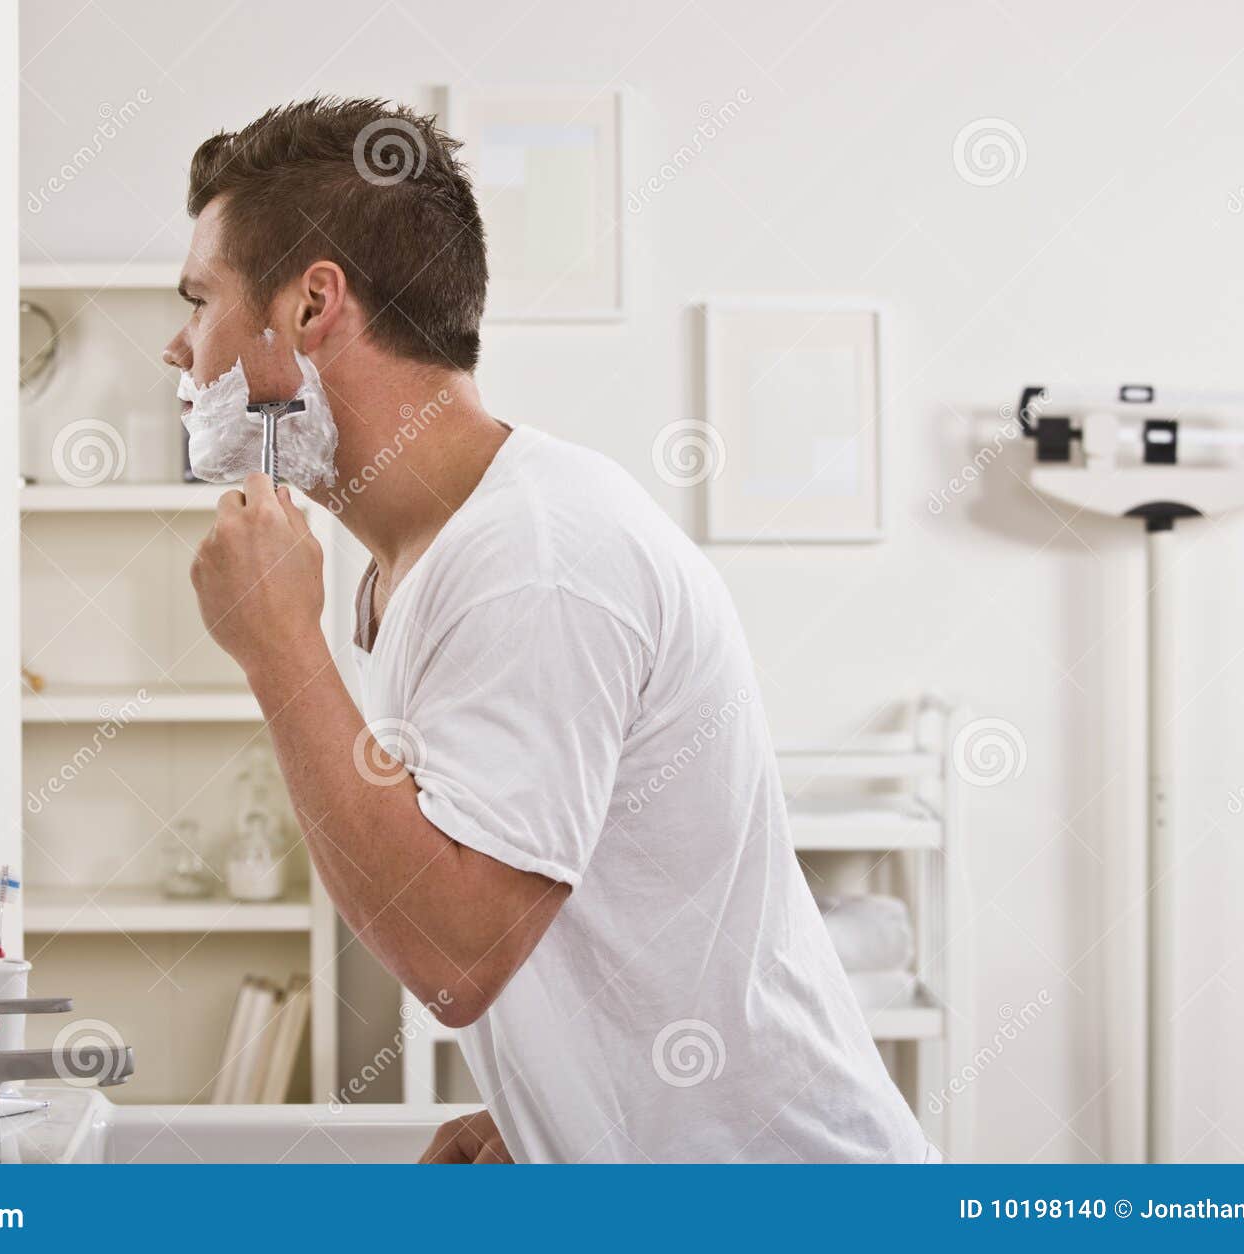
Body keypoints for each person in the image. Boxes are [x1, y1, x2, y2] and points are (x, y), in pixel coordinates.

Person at [169, 96, 929, 1164]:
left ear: (309, 308)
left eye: (201, 300)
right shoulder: (432, 555)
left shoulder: (535, 558)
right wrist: (550, 1122)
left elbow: (455, 956)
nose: (177, 347)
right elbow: (557, 906)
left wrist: (280, 650)